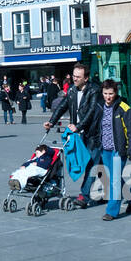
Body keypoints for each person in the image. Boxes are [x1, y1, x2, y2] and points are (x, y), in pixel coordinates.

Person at [46, 62, 102, 208]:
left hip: (93, 135)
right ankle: (121, 192)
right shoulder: (71, 90)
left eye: (78, 77)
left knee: (91, 165)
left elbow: (91, 112)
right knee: (102, 167)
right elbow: (62, 106)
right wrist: (52, 122)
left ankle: (83, 196)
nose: (74, 79)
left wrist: (78, 126)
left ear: (86, 78)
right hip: (78, 135)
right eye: (74, 76)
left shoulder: (94, 90)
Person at [97, 79, 131, 220]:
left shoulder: (124, 108)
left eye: (111, 93)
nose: (108, 97)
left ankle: (111, 211)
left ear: (116, 93)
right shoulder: (100, 107)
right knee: (115, 178)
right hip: (105, 149)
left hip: (119, 150)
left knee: (114, 180)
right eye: (105, 93)